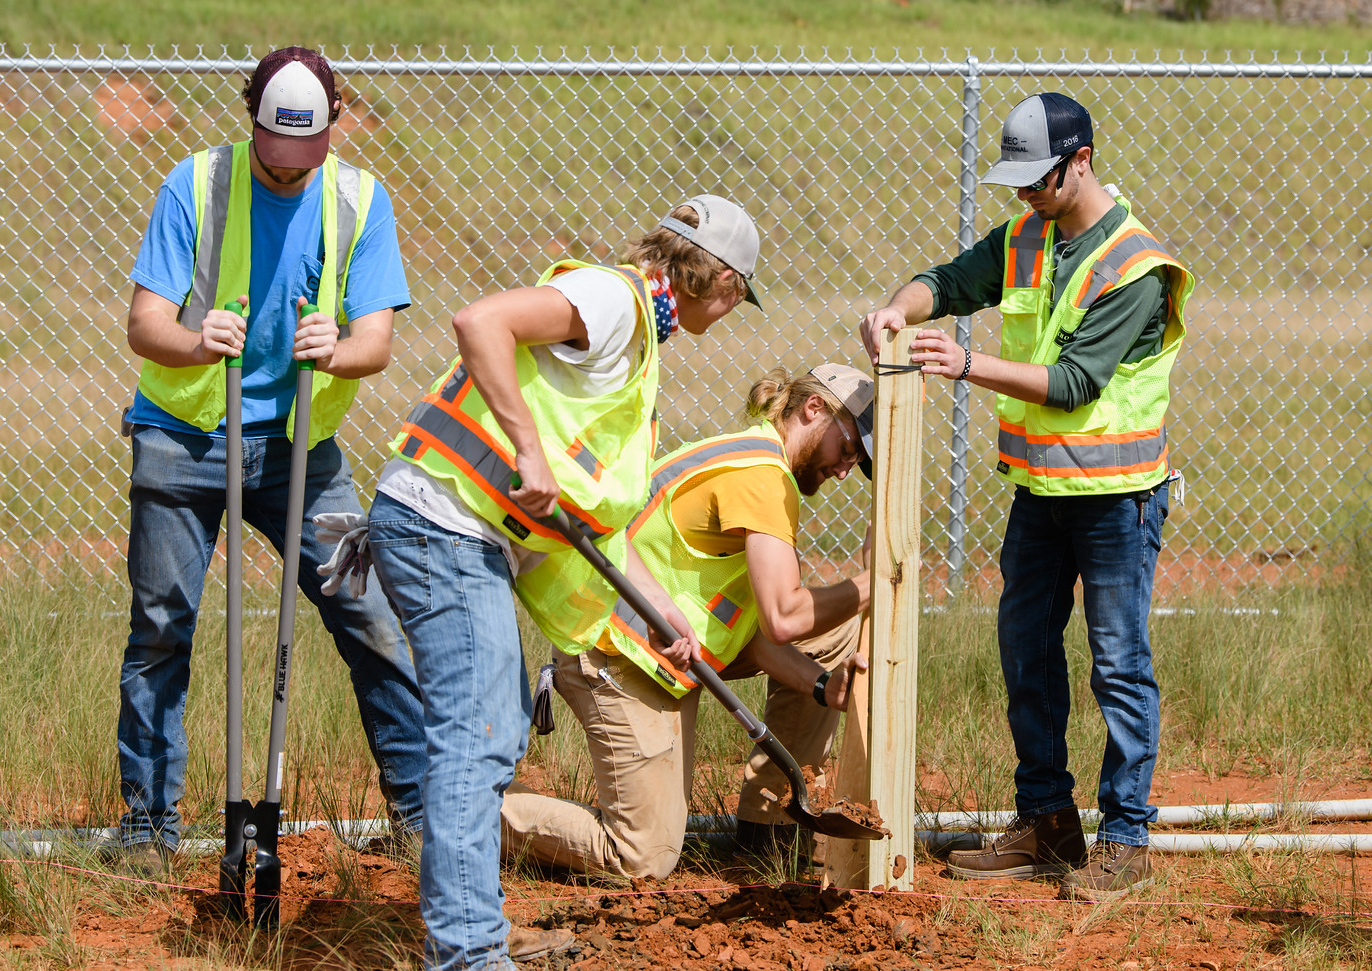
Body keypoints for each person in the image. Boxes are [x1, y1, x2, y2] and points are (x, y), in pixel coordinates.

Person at [365, 194, 762, 970]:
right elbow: (480, 321)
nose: (734, 307)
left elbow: (603, 525)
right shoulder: (615, 299)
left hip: (465, 534)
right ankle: (468, 954)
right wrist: (527, 451)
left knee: (496, 730)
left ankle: (471, 932)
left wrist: (659, 614)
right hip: (441, 522)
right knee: (477, 740)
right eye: (739, 291)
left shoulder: (640, 338)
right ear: (717, 279)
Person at [859, 92, 1193, 902]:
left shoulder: (1137, 267)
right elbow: (948, 281)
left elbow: (1077, 384)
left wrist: (966, 365)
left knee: (1117, 664)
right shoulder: (1027, 236)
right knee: (1026, 652)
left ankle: (1125, 840)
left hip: (1116, 498)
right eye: (1014, 184)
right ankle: (1046, 823)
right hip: (1040, 492)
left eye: (1035, 181)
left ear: (1080, 160)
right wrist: (895, 311)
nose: (1024, 197)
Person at [114, 47, 426, 875]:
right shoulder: (196, 182)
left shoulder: (361, 199)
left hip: (300, 449)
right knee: (160, 629)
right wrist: (194, 338)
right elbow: (146, 322)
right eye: (273, 162)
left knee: (370, 616)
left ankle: (421, 812)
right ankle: (148, 828)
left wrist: (340, 345)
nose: (286, 178)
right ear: (251, 123)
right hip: (183, 437)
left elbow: (378, 342)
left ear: (331, 133)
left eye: (303, 163)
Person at [500, 363, 874, 879]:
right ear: (814, 409)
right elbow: (785, 618)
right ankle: (463, 812)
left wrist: (824, 686)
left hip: (662, 657)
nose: (845, 468)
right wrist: (874, 581)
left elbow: (749, 634)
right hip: (616, 654)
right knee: (644, 856)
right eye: (848, 448)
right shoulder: (761, 477)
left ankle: (766, 831)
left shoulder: (759, 462)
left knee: (832, 623)